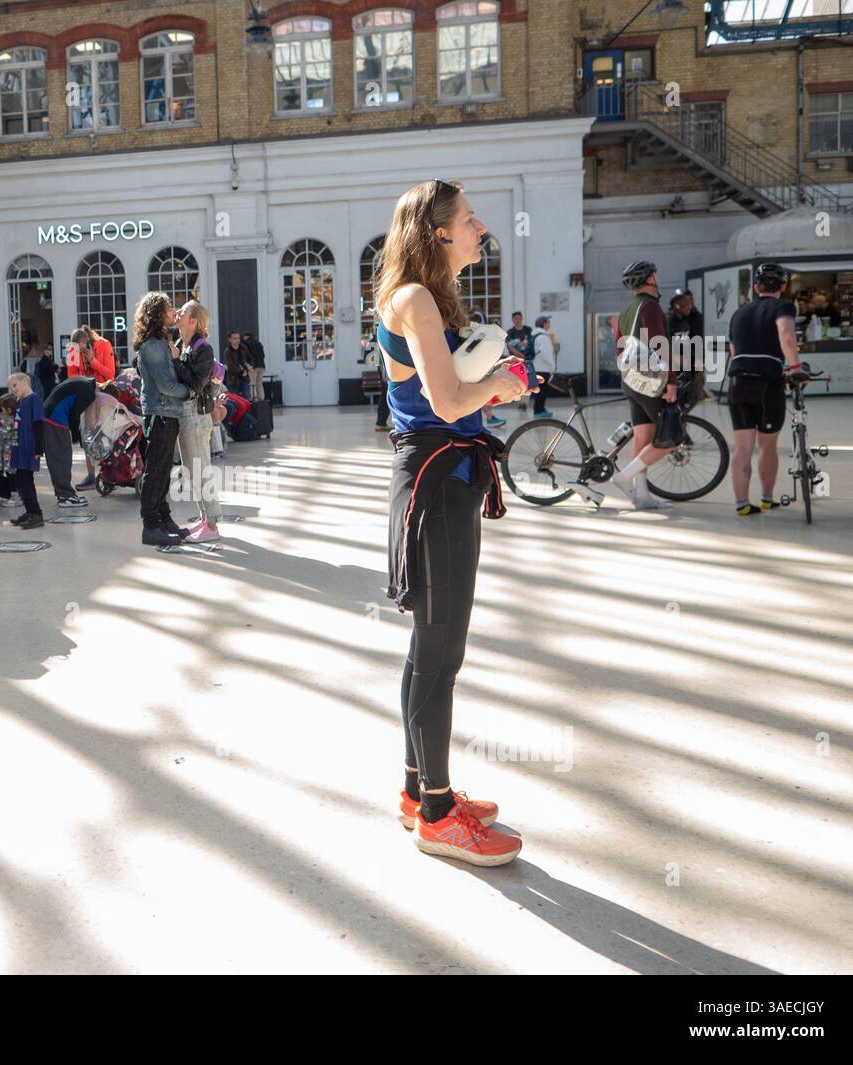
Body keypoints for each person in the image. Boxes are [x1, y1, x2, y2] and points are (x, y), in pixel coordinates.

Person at [377, 178, 530, 866]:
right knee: (440, 653)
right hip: (437, 485)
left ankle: (420, 790)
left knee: (431, 648)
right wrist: (498, 385)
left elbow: (445, 395)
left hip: (448, 476)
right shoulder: (412, 299)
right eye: (467, 219)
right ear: (434, 232)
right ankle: (437, 814)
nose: (479, 226)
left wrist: (486, 383)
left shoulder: (429, 299)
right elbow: (443, 397)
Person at [727, 262, 805, 516]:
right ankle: (766, 499)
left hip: (738, 382)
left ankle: (741, 505)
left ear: (755, 287)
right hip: (767, 384)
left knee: (742, 447)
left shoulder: (739, 313)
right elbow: (785, 332)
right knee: (768, 445)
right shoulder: (782, 306)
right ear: (782, 286)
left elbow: (733, 351)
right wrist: (794, 367)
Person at [612, 260, 677, 510]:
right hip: (651, 381)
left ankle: (641, 495)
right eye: (655, 275)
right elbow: (660, 344)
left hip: (631, 380)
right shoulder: (650, 307)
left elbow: (619, 346)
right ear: (650, 279)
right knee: (672, 436)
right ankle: (624, 477)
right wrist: (671, 381)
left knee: (643, 436)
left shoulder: (627, 309)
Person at [134, 292, 191, 546]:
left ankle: (163, 518)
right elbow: (166, 385)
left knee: (163, 471)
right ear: (157, 314)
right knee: (156, 471)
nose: (174, 312)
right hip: (161, 414)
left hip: (166, 413)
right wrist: (189, 391)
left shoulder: (160, 344)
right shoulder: (154, 347)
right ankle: (151, 525)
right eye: (169, 309)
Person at [173, 300, 222, 543]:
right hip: (187, 415)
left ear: (193, 321)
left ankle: (212, 525)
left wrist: (175, 361)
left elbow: (194, 384)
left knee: (200, 471)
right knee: (194, 472)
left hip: (196, 415)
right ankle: (205, 520)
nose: (178, 313)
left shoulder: (203, 349)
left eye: (183, 311)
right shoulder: (184, 345)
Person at [41, 376, 98, 505]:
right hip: (56, 419)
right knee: (62, 458)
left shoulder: (82, 380)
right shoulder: (89, 392)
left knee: (59, 456)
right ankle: (65, 496)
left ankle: (64, 493)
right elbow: (75, 414)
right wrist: (76, 437)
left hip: (50, 414)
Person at [5, 372, 45, 529]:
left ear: (26, 380)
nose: (13, 390)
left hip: (29, 449)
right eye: (11, 388)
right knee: (23, 481)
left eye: (15, 385)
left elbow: (39, 425)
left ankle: (36, 515)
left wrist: (38, 449)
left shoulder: (33, 400)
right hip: (19, 448)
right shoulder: (21, 401)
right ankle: (31, 511)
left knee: (23, 481)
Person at [529, 315, 557, 418]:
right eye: (548, 322)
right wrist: (552, 365)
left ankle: (541, 409)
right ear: (544, 324)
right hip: (543, 368)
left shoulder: (535, 336)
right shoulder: (543, 337)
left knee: (540, 390)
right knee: (542, 391)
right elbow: (546, 354)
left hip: (537, 367)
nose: (549, 324)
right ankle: (538, 411)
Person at [241, 331, 266, 399]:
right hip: (262, 365)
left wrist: (247, 365)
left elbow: (245, 356)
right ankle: (261, 399)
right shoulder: (259, 343)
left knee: (252, 383)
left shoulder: (246, 343)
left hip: (253, 366)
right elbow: (263, 355)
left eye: (243, 337)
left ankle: (254, 399)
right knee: (259, 384)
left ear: (246, 337)